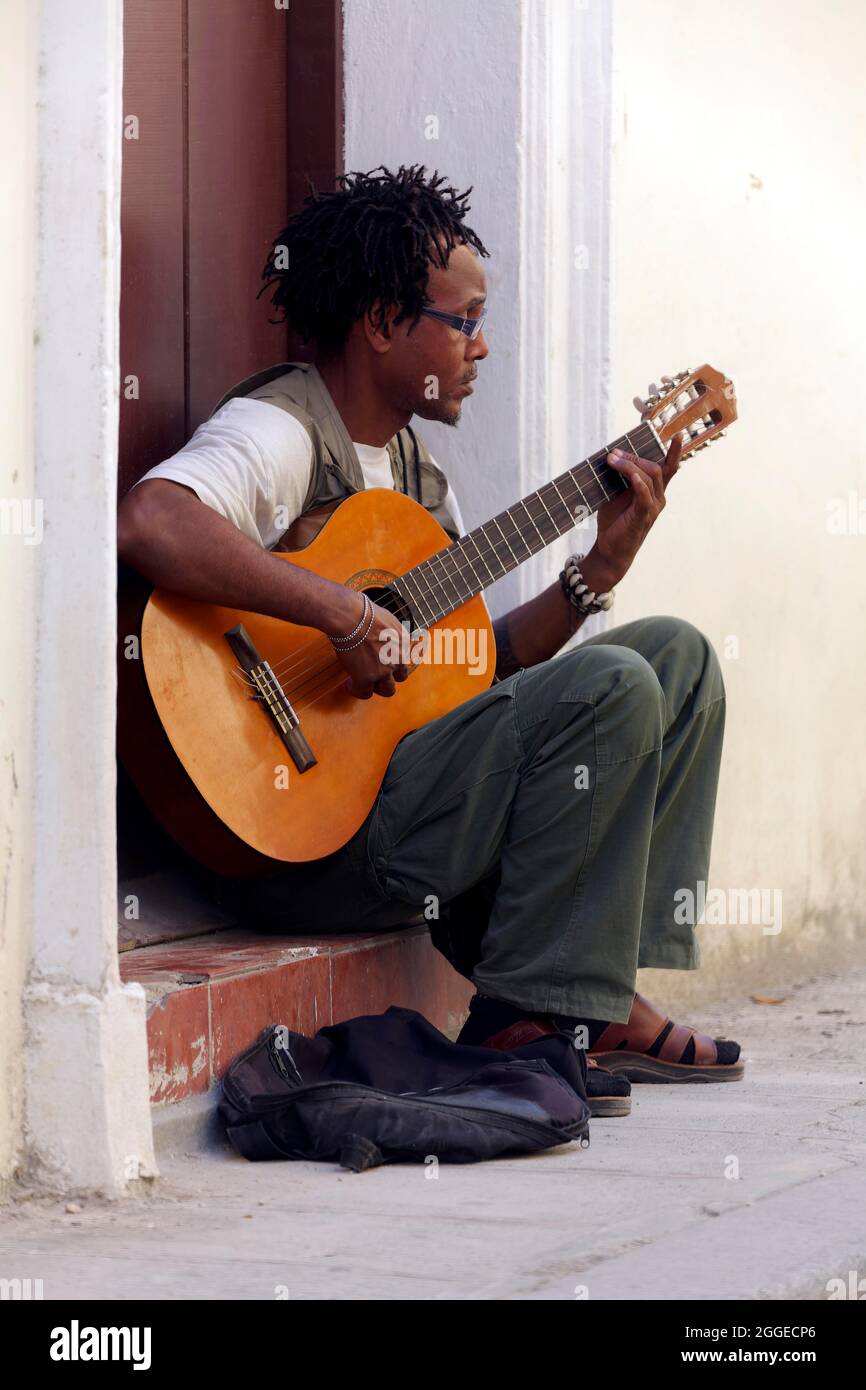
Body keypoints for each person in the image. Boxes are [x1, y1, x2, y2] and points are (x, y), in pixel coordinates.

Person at [117, 165, 742, 1117]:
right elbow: (152, 524)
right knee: (613, 686)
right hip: (305, 837)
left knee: (675, 662)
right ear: (380, 322)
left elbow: (471, 674)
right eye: (463, 321)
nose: (481, 347)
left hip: (403, 802)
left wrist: (592, 579)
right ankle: (527, 1015)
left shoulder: (420, 481)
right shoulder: (281, 432)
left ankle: (596, 993)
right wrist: (339, 612)